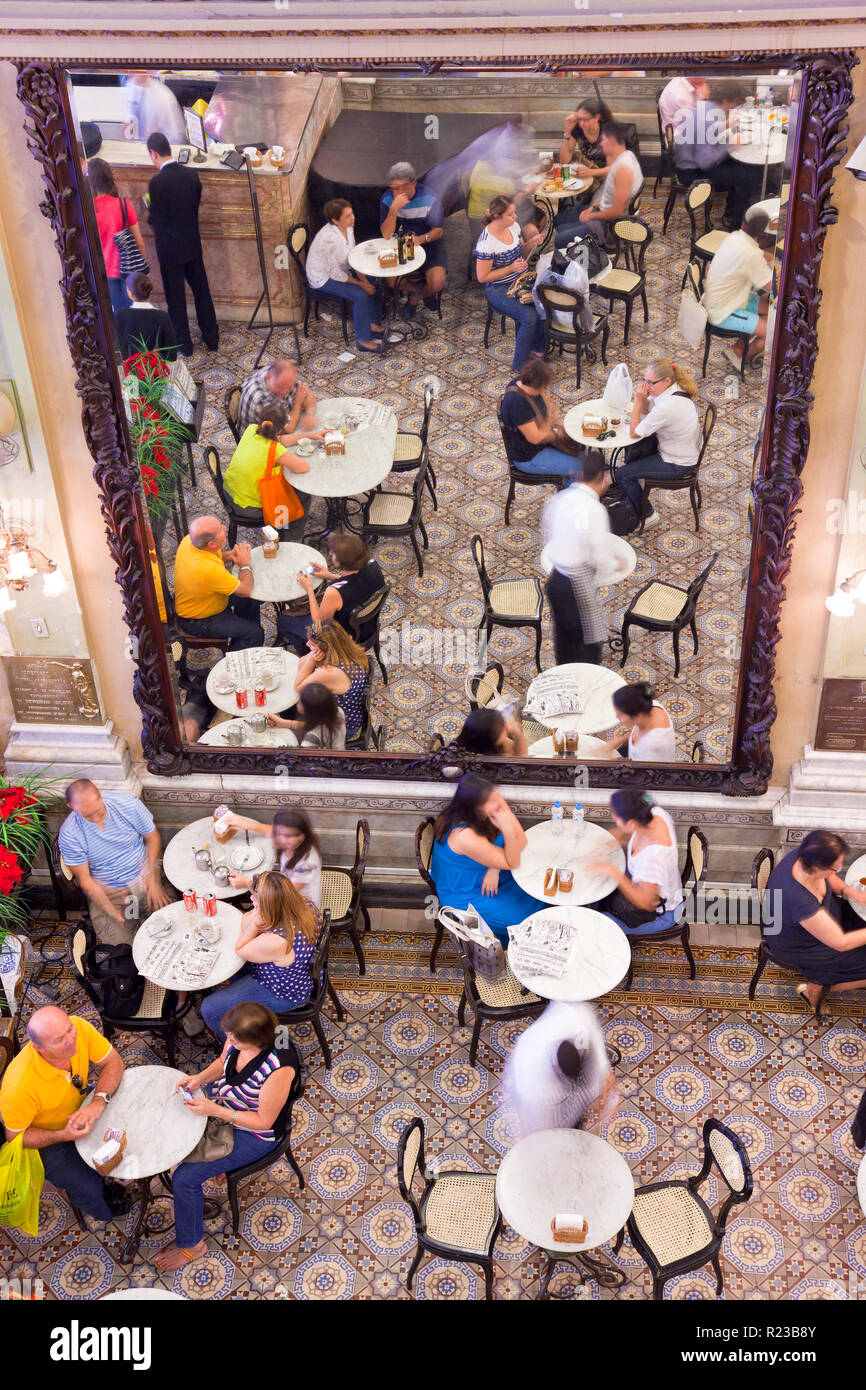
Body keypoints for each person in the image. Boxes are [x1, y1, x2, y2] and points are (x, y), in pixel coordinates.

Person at [154, 1002, 299, 1270]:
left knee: (184, 1178)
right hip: (227, 1109)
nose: (227, 1041)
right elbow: (223, 1062)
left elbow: (263, 1121)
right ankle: (217, 1165)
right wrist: (199, 1078)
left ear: (255, 1041)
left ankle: (192, 1244)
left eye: (233, 1039)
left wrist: (215, 1111)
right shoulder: (245, 1036)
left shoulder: (279, 1068)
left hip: (256, 1134)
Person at [0, 1007, 127, 1223]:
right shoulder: (18, 1087)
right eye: (60, 1040)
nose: (71, 1040)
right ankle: (105, 1212)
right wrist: (63, 1135)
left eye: (69, 1030)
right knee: (88, 1186)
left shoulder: (78, 1026)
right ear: (38, 1048)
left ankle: (116, 1175)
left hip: (82, 1105)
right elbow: (16, 1137)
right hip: (48, 1140)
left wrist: (97, 1102)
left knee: (127, 1130)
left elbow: (114, 1062)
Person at [200, 872, 320, 1039]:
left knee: (209, 1007)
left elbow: (240, 948)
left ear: (269, 907)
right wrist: (256, 893)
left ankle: (229, 1045)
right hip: (295, 974)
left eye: (255, 899)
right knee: (231, 967)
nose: (251, 900)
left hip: (282, 993)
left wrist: (257, 921)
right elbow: (245, 922)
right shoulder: (305, 905)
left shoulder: (276, 941)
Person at [430, 773, 545, 944]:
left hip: (485, 873)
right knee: (528, 922)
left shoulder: (484, 810)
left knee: (540, 892)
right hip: (467, 893)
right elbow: (513, 861)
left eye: (496, 794)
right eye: (492, 799)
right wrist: (507, 829)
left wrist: (495, 867)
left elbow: (521, 841)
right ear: (475, 807)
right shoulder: (464, 836)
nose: (499, 801)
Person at [58, 779, 170, 945]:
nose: (96, 818)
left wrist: (153, 877)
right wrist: (112, 911)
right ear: (71, 807)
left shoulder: (128, 805)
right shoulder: (70, 834)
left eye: (99, 811)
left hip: (144, 877)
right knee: (126, 948)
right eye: (88, 815)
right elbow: (85, 880)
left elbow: (152, 837)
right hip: (110, 892)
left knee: (173, 925)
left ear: (100, 794)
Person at [765, 831, 866, 1012]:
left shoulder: (805, 855)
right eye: (836, 867)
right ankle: (816, 990)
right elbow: (840, 943)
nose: (839, 868)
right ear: (819, 867)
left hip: (828, 917)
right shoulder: (798, 899)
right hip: (802, 944)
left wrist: (852, 893)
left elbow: (829, 877)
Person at [543, 450, 623, 666]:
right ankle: (586, 685)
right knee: (590, 643)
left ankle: (564, 680)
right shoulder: (594, 510)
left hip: (556, 581)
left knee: (564, 642)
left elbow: (550, 536)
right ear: (601, 477)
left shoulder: (559, 499)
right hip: (576, 587)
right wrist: (617, 562)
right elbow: (601, 557)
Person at [146, 130, 219, 356]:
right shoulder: (191, 175)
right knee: (202, 292)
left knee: (175, 299)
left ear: (153, 153)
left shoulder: (157, 183)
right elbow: (194, 204)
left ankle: (184, 345)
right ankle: (212, 337)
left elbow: (157, 221)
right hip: (192, 244)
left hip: (170, 251)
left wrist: (148, 211)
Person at [503, 1000, 620, 1135]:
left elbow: (594, 1039)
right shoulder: (532, 1073)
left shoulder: (577, 1019)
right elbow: (531, 1121)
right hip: (547, 1116)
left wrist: (606, 1076)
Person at [619, 357, 702, 527]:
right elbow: (648, 409)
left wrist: (637, 403)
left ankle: (648, 515)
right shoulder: (673, 391)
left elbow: (635, 433)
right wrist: (642, 400)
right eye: (645, 381)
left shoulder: (667, 407)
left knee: (622, 474)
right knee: (633, 455)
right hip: (684, 450)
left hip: (678, 463)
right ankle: (637, 487)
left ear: (666, 381)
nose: (647, 387)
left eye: (651, 383)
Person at [591, 791, 684, 938]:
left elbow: (645, 902)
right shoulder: (654, 813)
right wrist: (609, 839)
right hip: (657, 887)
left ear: (631, 823)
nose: (615, 821)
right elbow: (631, 831)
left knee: (594, 924)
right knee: (597, 890)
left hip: (660, 915)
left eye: (617, 818)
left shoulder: (652, 858)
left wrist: (613, 872)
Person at [673, 79, 762, 229]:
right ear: (726, 101)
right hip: (691, 173)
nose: (734, 107)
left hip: (693, 161)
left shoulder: (707, 107)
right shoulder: (711, 116)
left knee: (743, 166)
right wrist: (731, 143)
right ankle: (735, 226)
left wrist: (725, 126)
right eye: (734, 103)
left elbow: (707, 135)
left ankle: (731, 211)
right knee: (745, 176)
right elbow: (706, 162)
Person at [277, 533, 385, 652]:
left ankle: (309, 654)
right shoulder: (373, 564)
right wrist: (329, 575)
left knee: (283, 622)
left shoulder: (334, 592)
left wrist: (309, 589)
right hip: (368, 626)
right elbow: (355, 582)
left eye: (333, 554)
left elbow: (319, 623)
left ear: (339, 562)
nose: (331, 555)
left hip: (342, 638)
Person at [173, 514, 264, 651]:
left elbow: (214, 556)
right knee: (255, 634)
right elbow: (245, 589)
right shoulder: (207, 569)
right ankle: (233, 661)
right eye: (220, 529)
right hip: (199, 620)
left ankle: (240, 628)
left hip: (207, 598)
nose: (225, 527)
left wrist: (232, 555)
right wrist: (245, 564)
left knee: (251, 599)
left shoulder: (190, 541)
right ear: (212, 544)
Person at [475, 196, 545, 371]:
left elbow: (522, 250)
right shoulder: (486, 243)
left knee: (546, 303)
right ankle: (520, 365)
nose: (515, 217)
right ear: (497, 217)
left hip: (520, 279)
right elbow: (483, 277)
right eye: (510, 214)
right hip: (498, 288)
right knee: (529, 317)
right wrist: (511, 268)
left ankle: (538, 351)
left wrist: (532, 242)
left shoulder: (513, 227)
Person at [305, 198, 385, 351]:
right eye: (348, 216)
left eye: (352, 213)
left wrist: (365, 280)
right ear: (335, 220)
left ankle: (372, 323)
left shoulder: (348, 227)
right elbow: (334, 273)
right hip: (323, 277)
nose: (353, 217)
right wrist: (360, 284)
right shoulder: (329, 239)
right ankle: (363, 340)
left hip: (339, 270)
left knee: (373, 281)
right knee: (360, 295)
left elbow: (352, 255)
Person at [222, 401, 309, 540]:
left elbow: (281, 440)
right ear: (280, 429)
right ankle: (292, 539)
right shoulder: (274, 449)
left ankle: (286, 532)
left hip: (229, 494)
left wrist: (311, 436)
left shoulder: (251, 429)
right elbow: (303, 467)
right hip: (248, 509)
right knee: (302, 493)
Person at [702, 207, 775, 367]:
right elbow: (771, 286)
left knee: (772, 312)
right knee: (773, 330)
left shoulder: (734, 237)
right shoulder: (750, 254)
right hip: (723, 311)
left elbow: (759, 253)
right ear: (764, 233)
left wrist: (771, 259)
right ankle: (740, 355)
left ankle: (740, 345)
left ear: (743, 225)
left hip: (726, 298)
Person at [380, 161, 447, 313]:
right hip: (399, 243)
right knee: (391, 282)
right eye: (394, 188)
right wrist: (393, 210)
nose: (397, 192)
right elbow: (386, 234)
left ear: (413, 183)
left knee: (437, 282)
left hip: (428, 243)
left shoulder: (430, 198)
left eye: (402, 187)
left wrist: (421, 239)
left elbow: (438, 231)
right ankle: (421, 291)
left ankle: (415, 298)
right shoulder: (387, 199)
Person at [222, 807, 323, 904]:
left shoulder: (307, 863)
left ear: (302, 835)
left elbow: (283, 894)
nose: (279, 839)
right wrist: (247, 824)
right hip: (284, 887)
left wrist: (248, 883)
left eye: (287, 835)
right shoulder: (291, 840)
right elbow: (272, 830)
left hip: (300, 904)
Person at [87, 157, 147, 318]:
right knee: (135, 315)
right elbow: (140, 242)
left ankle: (122, 343)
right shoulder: (123, 204)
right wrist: (143, 267)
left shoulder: (90, 210)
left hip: (105, 272)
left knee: (118, 317)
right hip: (128, 269)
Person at [499, 358, 578, 477]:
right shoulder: (517, 404)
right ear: (534, 386)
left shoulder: (522, 382)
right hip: (529, 456)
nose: (544, 390)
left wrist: (551, 414)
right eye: (543, 387)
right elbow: (535, 438)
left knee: (581, 450)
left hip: (541, 442)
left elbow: (545, 399)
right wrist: (557, 433)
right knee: (581, 469)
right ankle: (568, 493)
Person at [293, 621, 369, 742]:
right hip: (353, 713)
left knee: (290, 731)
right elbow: (301, 661)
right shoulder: (349, 650)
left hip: (341, 727)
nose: (307, 645)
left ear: (326, 649)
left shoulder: (328, 673)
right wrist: (312, 655)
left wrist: (312, 659)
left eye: (312, 645)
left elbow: (298, 687)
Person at [574, 122, 643, 248]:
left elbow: (616, 212)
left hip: (609, 228)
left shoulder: (623, 169)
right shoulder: (626, 157)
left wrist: (591, 215)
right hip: (603, 214)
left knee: (559, 238)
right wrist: (593, 206)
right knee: (560, 220)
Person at [236, 360, 318, 440]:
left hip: (280, 423)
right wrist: (297, 404)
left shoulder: (282, 376)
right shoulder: (261, 399)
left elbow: (307, 394)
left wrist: (310, 414)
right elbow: (288, 428)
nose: (285, 392)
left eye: (289, 387)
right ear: (269, 376)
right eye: (280, 386)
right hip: (257, 439)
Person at [600, 682, 677, 761]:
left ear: (639, 716)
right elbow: (638, 734)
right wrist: (615, 742)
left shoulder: (652, 746)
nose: (617, 717)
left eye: (621, 714)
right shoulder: (649, 705)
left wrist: (609, 761)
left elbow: (638, 770)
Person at [115, 271, 177, 361]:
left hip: (132, 368)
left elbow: (121, 346)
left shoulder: (122, 315)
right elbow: (171, 350)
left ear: (130, 293)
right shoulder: (163, 316)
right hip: (158, 368)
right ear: (149, 291)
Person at [267, 682, 347, 750]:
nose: (297, 702)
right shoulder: (338, 712)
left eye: (301, 702)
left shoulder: (309, 742)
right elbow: (316, 725)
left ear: (310, 711)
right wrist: (284, 723)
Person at [125, 72, 186, 144]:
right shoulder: (131, 86)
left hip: (158, 150)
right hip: (135, 146)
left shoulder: (163, 96)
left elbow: (175, 137)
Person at [558, 96, 614, 170]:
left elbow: (614, 167)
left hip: (607, 175)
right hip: (589, 170)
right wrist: (567, 131)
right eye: (580, 119)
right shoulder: (577, 128)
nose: (582, 124)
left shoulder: (608, 131)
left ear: (596, 117)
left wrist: (591, 172)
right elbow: (564, 161)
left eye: (586, 120)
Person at [456, 707, 529, 757]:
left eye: (503, 721)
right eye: (503, 728)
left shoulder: (465, 739)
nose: (507, 726)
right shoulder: (497, 758)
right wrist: (519, 735)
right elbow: (522, 764)